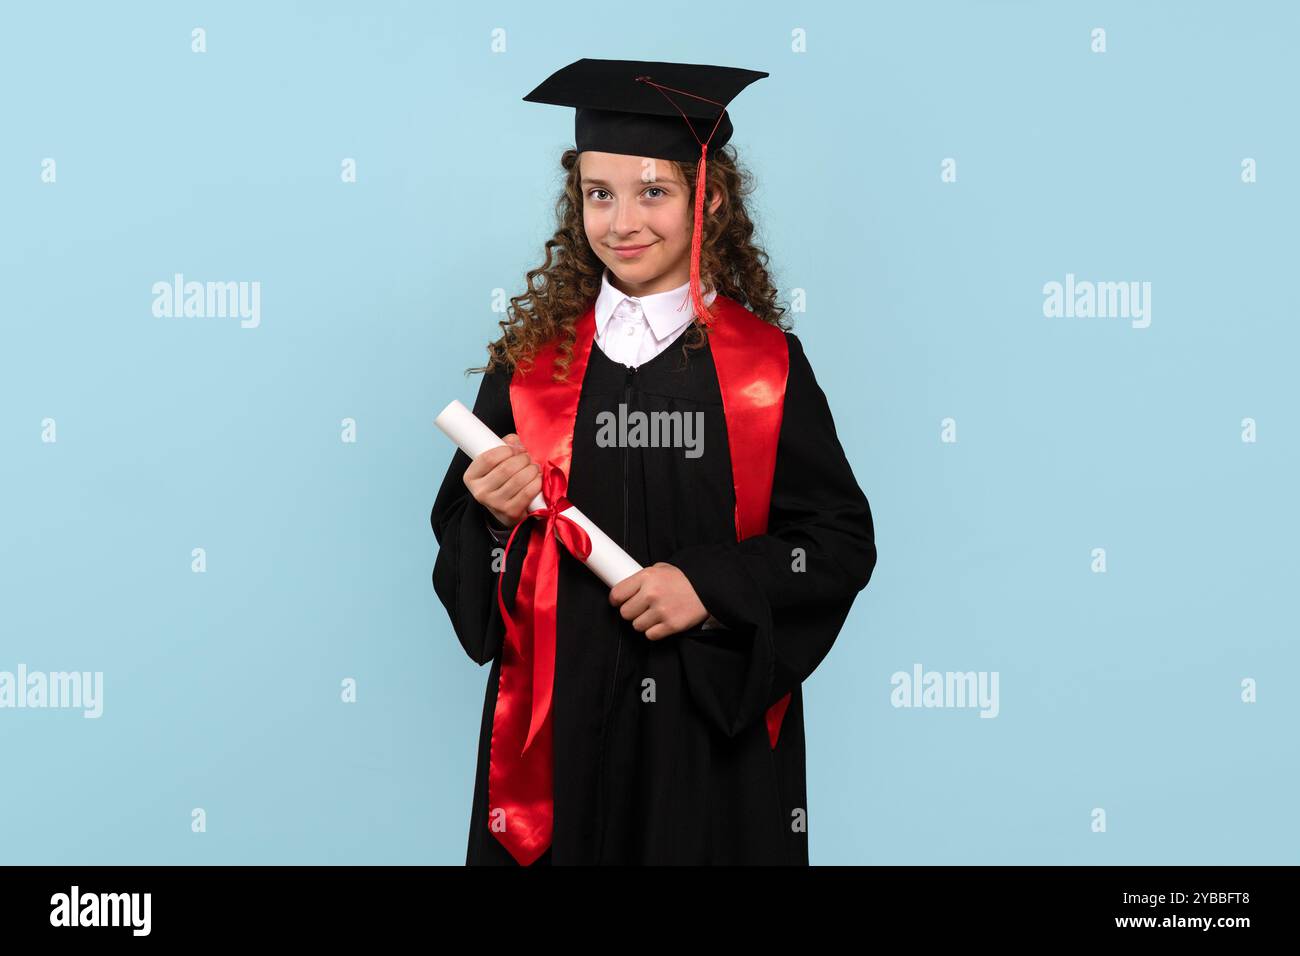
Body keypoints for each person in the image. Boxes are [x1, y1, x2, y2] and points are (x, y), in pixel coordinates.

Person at [430, 58, 877, 865]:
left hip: (707, 733)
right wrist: (493, 515)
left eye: (653, 192)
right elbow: (462, 548)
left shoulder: (766, 370)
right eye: (600, 193)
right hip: (557, 726)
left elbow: (838, 542)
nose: (622, 220)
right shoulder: (532, 366)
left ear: (707, 197)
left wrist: (707, 585)